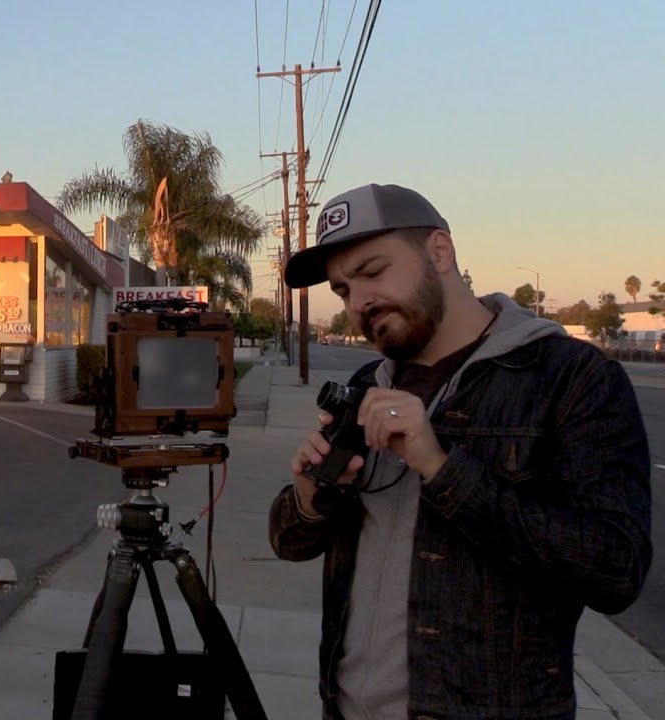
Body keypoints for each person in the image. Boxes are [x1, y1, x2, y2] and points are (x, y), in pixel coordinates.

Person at [267, 183, 652, 719]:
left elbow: (616, 570)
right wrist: (310, 499)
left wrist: (440, 466)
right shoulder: (365, 384)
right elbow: (289, 540)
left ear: (440, 252)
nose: (359, 302)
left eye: (373, 271)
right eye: (342, 290)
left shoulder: (570, 379)